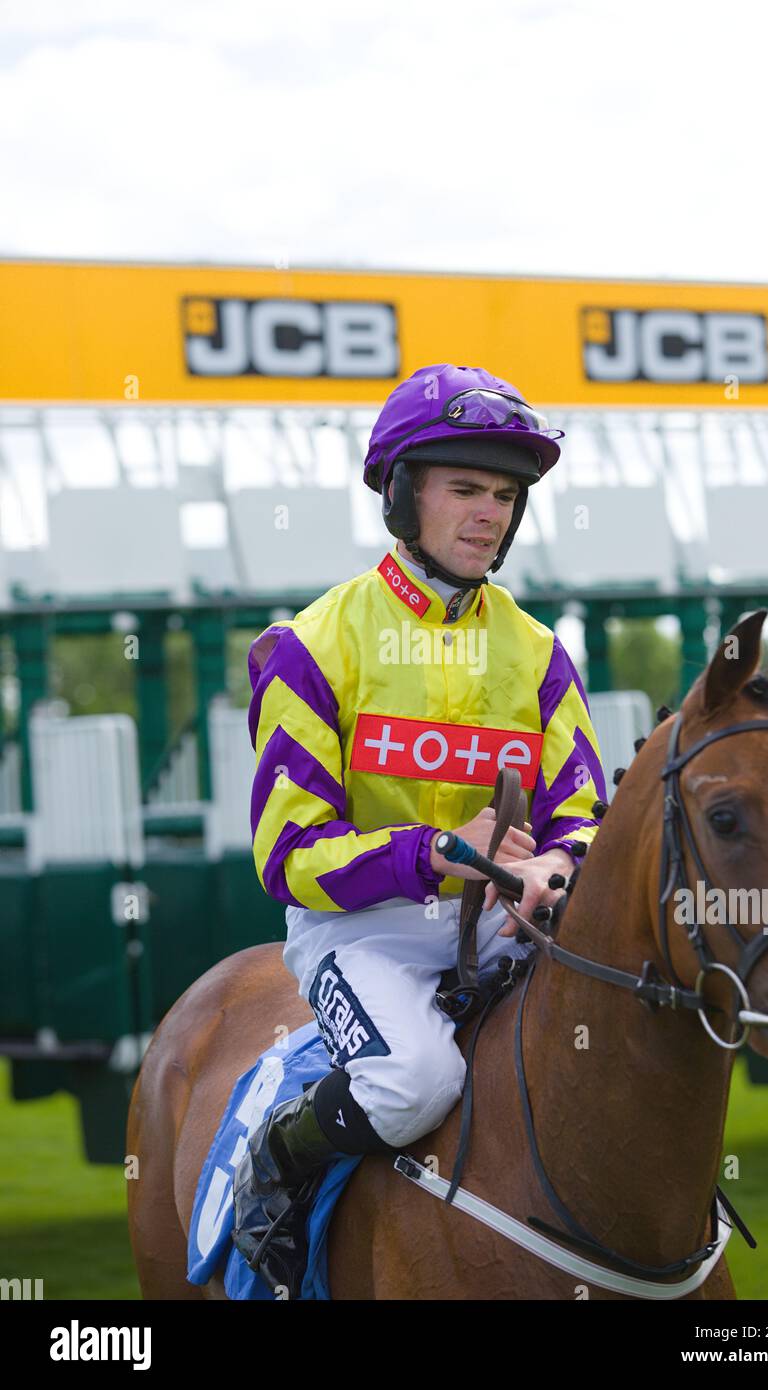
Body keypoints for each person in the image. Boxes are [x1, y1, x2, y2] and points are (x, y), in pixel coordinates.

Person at [232, 362, 607, 1295]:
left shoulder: (539, 654)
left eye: (505, 497)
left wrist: (558, 865)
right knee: (413, 1084)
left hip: (507, 922)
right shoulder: (312, 647)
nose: (490, 516)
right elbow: (289, 857)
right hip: (365, 933)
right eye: (465, 490)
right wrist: (441, 856)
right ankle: (279, 1158)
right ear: (402, 495)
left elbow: (584, 812)